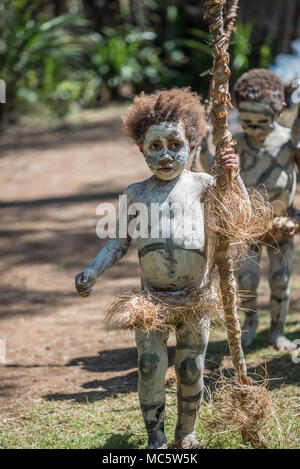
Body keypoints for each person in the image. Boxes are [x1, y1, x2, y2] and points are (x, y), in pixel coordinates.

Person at [75, 88, 240, 449]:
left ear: (192, 145)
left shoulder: (204, 185)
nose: (166, 155)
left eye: (175, 144)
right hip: (150, 301)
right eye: (155, 147)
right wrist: (92, 271)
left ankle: (187, 434)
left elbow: (238, 216)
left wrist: (232, 175)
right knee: (150, 367)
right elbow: (119, 242)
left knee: (191, 368)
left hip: (196, 298)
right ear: (141, 149)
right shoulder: (136, 193)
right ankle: (156, 438)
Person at [201, 69, 300, 351]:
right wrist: (203, 146)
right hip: (248, 225)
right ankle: (250, 325)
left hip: (282, 224)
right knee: (247, 279)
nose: (254, 129)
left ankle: (277, 332)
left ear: (279, 110)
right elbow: (216, 171)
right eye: (247, 122)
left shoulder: (288, 140)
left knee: (280, 279)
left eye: (262, 122)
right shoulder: (239, 143)